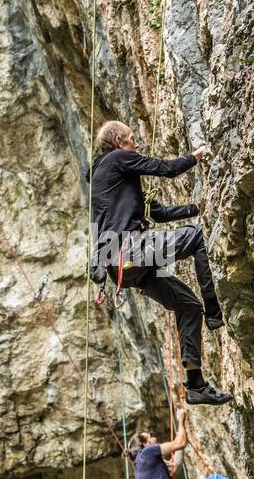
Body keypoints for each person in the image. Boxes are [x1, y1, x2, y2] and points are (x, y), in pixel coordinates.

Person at [90, 119, 230, 406]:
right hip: (128, 251)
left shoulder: (116, 182)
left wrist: (196, 208)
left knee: (189, 307)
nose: (136, 143)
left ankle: (196, 385)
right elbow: (167, 169)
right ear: (118, 143)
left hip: (124, 268)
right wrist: (195, 156)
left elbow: (160, 214)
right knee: (197, 236)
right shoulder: (117, 159)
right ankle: (216, 313)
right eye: (131, 138)